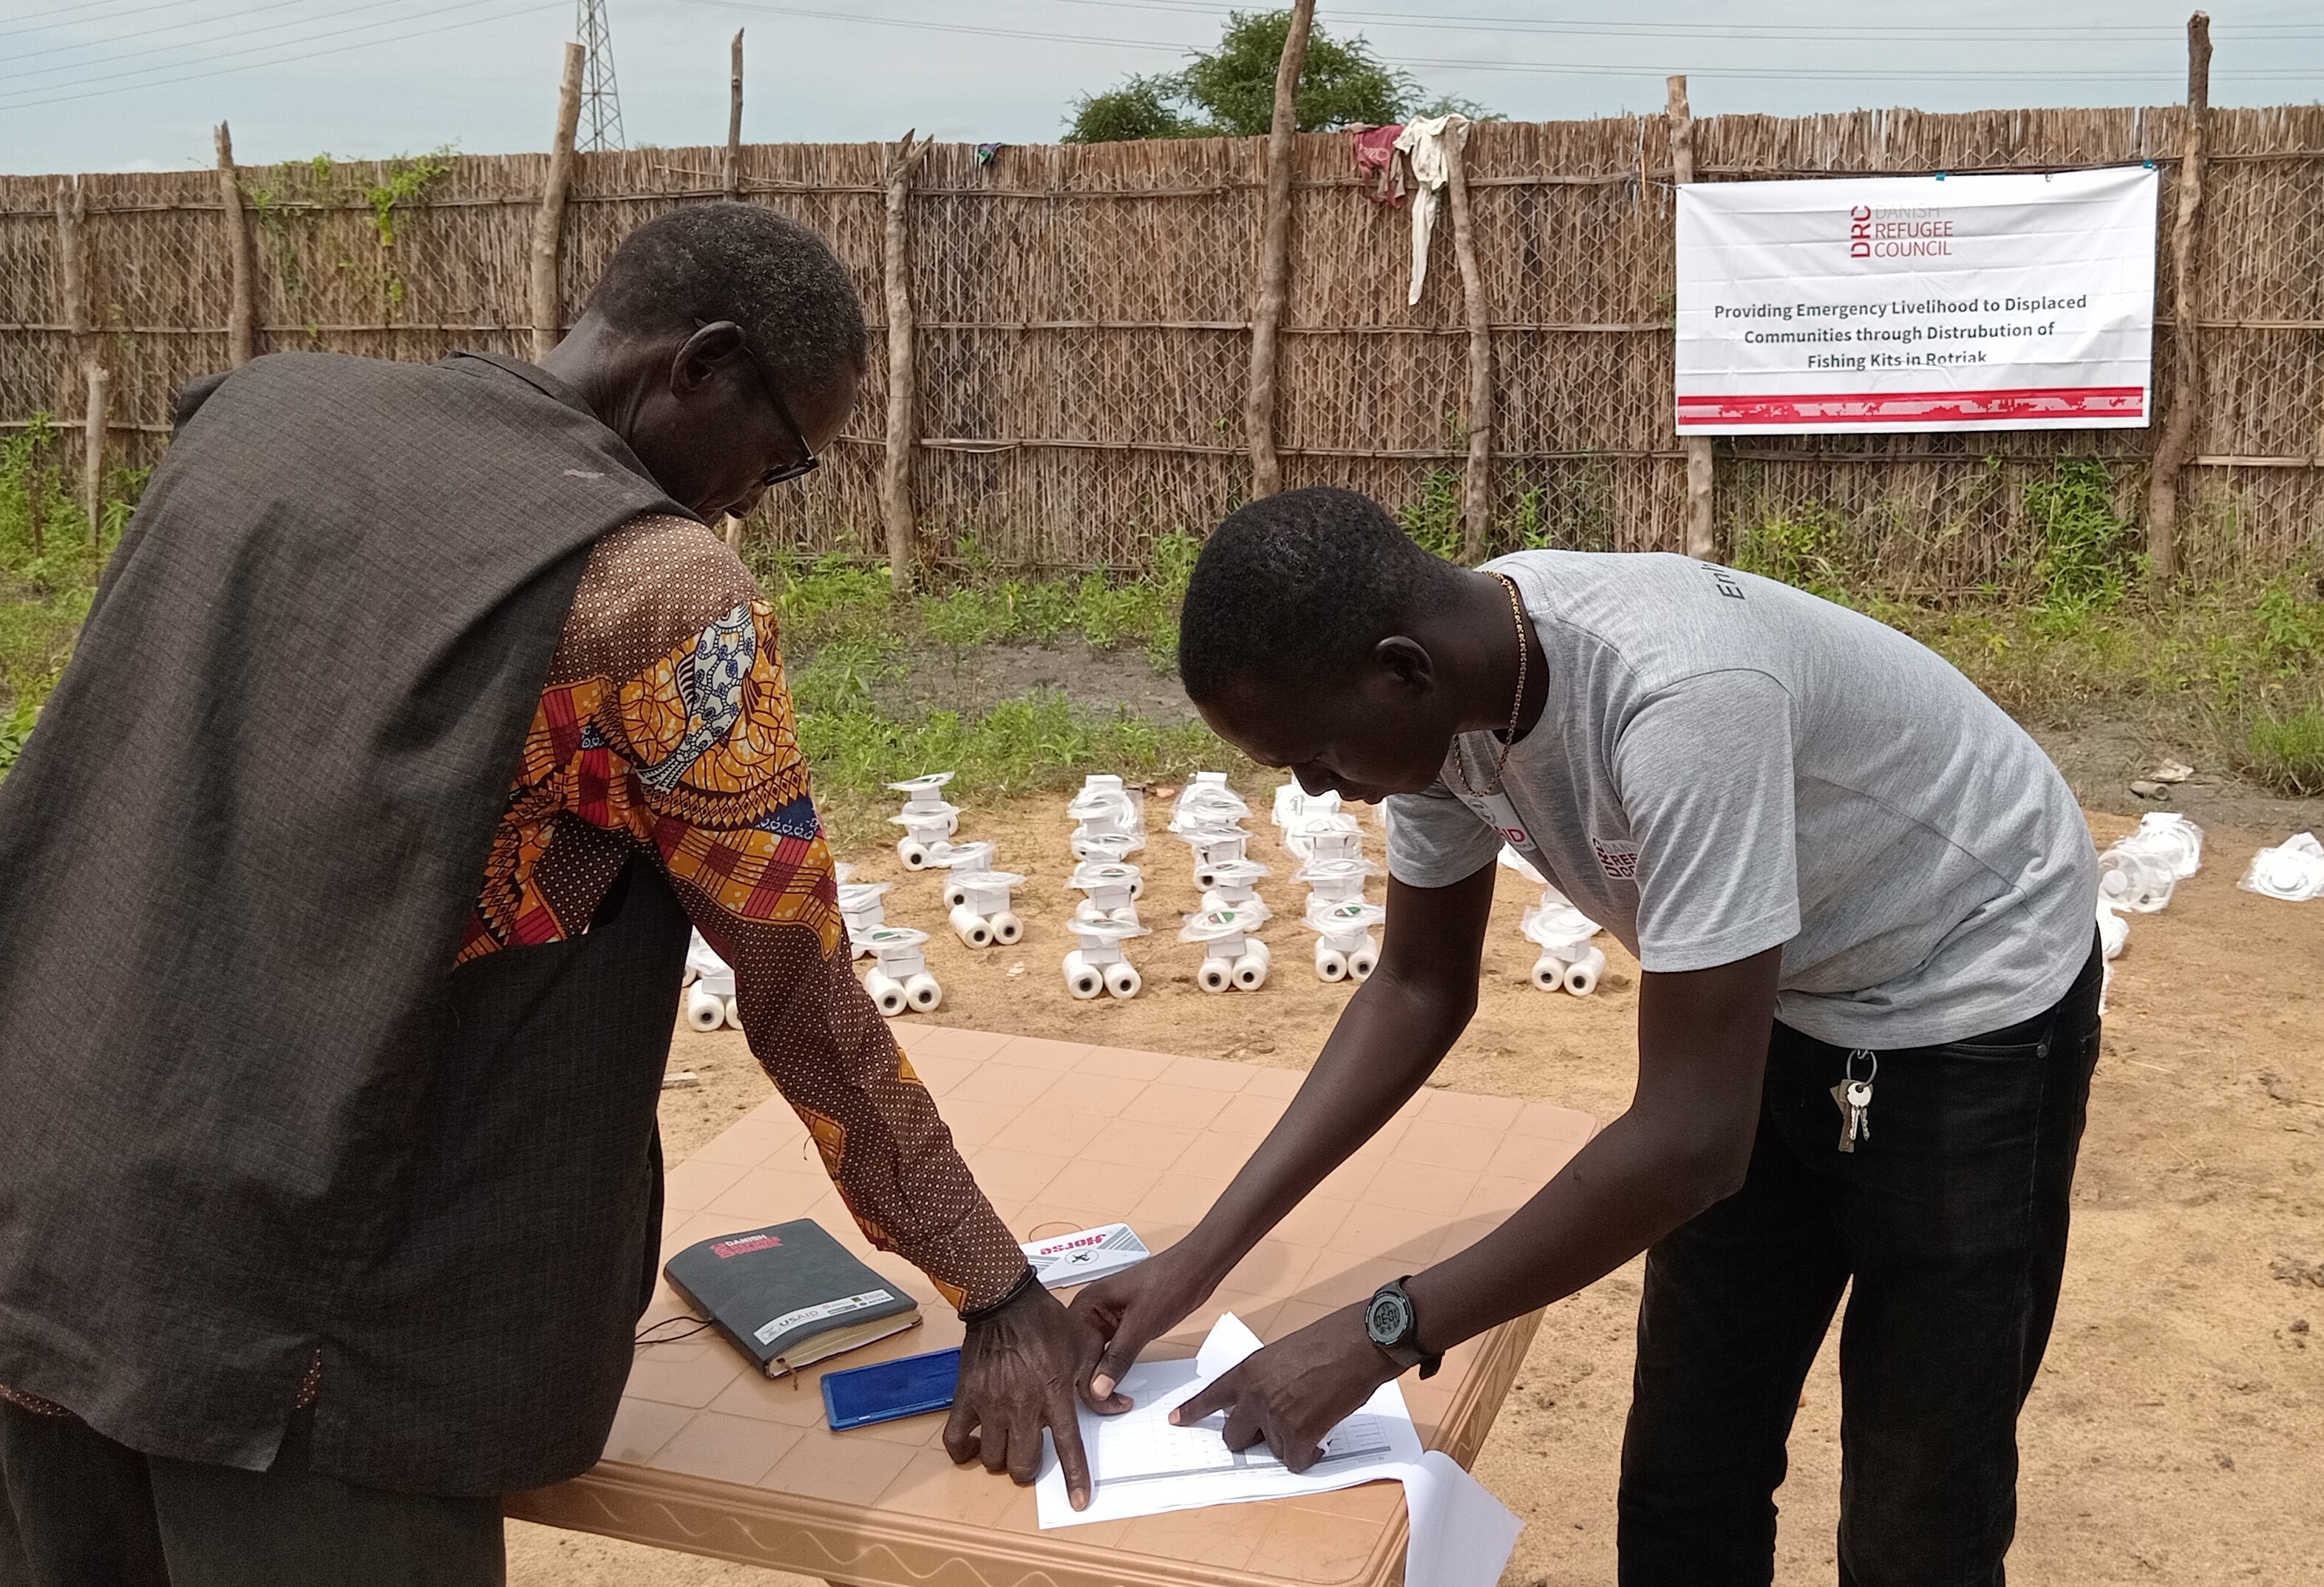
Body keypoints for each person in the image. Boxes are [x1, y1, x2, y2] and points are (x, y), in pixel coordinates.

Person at [0, 204, 1106, 1587]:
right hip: (302, 1329)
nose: (752, 504)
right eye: (777, 460)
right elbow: (796, 984)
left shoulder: (257, 417)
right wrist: (998, 1293)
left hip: (43, 1222)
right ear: (700, 364)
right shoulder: (656, 596)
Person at [1071, 486, 2102, 1586]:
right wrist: (1195, 1261)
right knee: (1686, 1473)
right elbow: (1417, 988)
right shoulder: (1444, 715)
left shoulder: (1682, 701)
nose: (1323, 792)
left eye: (1318, 757)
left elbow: (1693, 1141)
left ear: (1401, 668)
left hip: (1967, 990)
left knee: (1916, 1506)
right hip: (1780, 990)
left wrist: (1382, 1331)